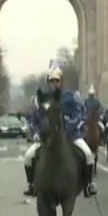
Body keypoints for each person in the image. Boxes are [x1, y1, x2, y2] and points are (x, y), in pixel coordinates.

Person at [23, 67, 97, 197]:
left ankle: (88, 185)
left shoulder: (70, 97)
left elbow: (78, 115)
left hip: (71, 135)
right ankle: (31, 185)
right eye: (52, 81)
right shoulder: (42, 98)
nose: (54, 84)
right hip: (47, 137)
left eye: (57, 81)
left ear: (61, 82)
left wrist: (69, 127)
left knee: (88, 155)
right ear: (48, 82)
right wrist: (35, 132)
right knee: (28, 157)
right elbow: (35, 119)